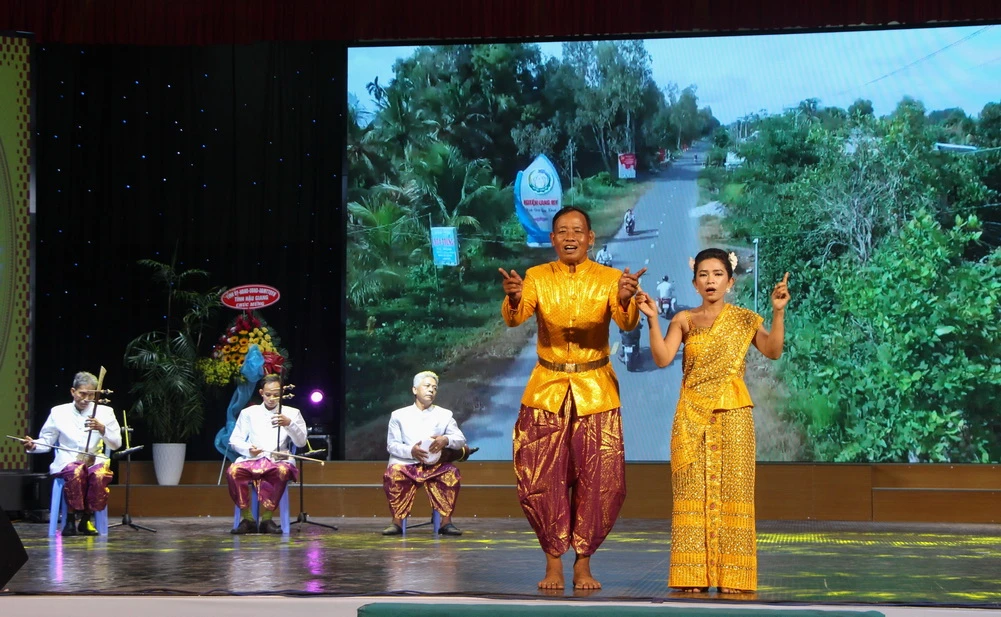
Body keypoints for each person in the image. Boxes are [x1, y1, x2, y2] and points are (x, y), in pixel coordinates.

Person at [498, 205, 645, 590]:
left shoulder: (610, 278)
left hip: (596, 391)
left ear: (590, 238)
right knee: (540, 477)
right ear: (552, 238)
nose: (570, 237)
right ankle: (553, 563)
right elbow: (516, 317)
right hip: (546, 391)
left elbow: (627, 322)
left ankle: (583, 563)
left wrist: (626, 300)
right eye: (562, 231)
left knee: (600, 481)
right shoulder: (537, 276)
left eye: (577, 231)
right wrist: (513, 299)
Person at [635, 248, 789, 594]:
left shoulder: (745, 320)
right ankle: (692, 577)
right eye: (703, 275)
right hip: (691, 420)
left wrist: (778, 312)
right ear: (694, 283)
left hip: (734, 417)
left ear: (730, 282)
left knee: (735, 493)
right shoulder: (683, 320)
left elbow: (773, 350)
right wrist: (652, 319)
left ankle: (734, 578)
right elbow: (662, 358)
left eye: (718, 274)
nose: (710, 281)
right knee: (690, 493)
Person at [23, 371, 122, 536]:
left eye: (91, 395)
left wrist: (102, 428)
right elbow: (46, 441)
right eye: (82, 394)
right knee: (76, 471)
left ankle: (86, 519)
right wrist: (33, 445)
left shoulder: (105, 412)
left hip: (94, 458)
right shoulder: (58, 412)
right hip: (67, 459)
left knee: (99, 475)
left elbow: (116, 443)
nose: (86, 399)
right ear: (73, 391)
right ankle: (70, 519)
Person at [382, 371, 466, 537]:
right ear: (415, 390)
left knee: (451, 473)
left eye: (434, 388)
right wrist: (411, 451)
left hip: (435, 465)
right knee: (393, 474)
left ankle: (446, 522)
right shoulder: (399, 415)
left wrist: (446, 439)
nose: (431, 390)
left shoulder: (444, 414)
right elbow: (392, 445)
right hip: (407, 464)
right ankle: (397, 522)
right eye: (427, 386)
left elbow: (460, 439)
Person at [227, 374, 308, 534]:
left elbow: (301, 442)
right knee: (233, 472)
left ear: (282, 393)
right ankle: (248, 519)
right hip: (253, 459)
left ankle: (267, 518)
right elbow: (234, 440)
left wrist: (289, 424)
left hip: (276, 461)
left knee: (283, 471)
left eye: (276, 395)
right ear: (261, 393)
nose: (271, 399)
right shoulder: (248, 413)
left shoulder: (292, 413)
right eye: (268, 394)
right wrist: (249, 449)